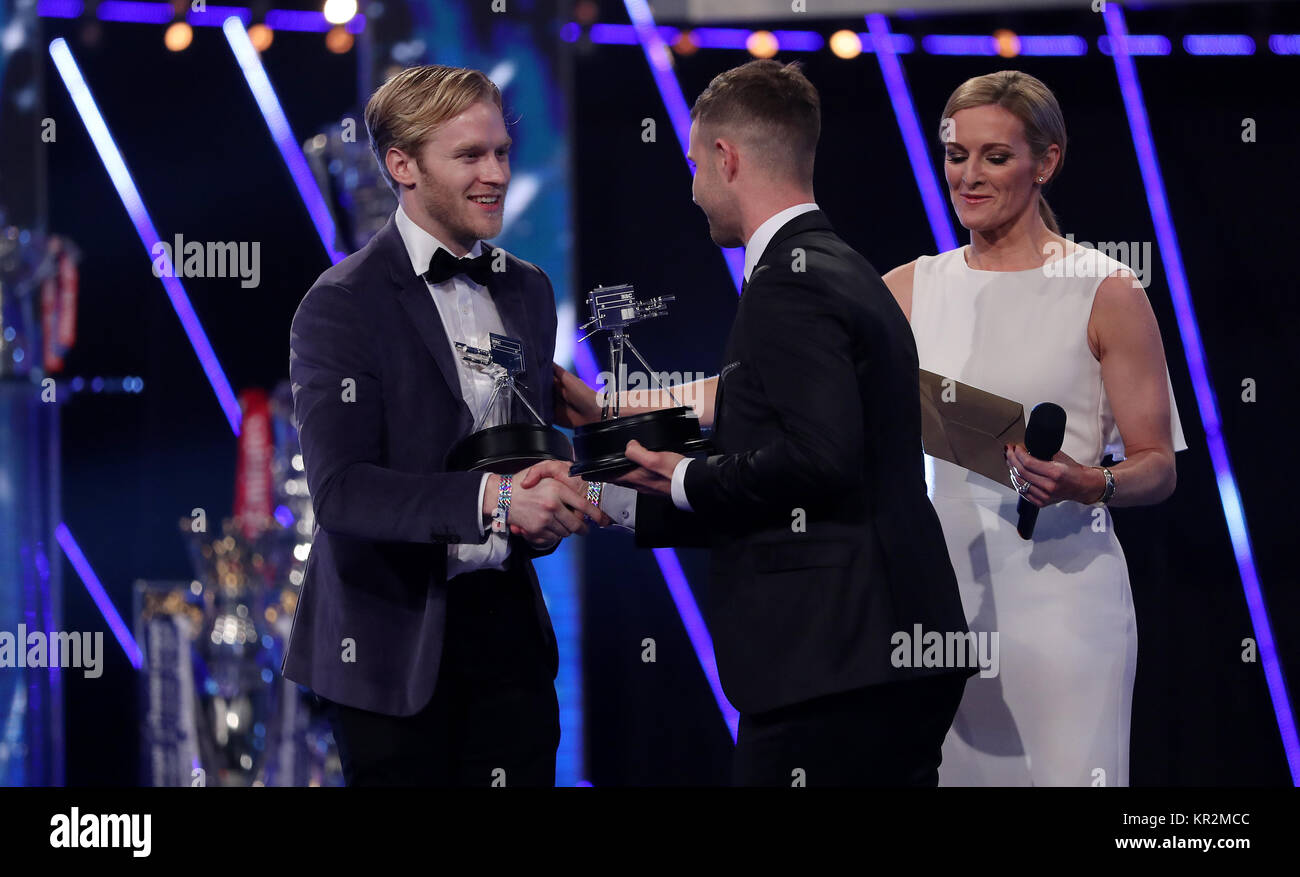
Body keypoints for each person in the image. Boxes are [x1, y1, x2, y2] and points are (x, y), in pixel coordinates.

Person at [548, 60, 973, 786]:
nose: (691, 190)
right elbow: (764, 428)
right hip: (877, 653)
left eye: (693, 165)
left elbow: (819, 459)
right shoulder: (839, 268)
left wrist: (681, 475)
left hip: (832, 662)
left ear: (727, 158)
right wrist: (613, 460)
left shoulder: (790, 282)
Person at [282, 64, 609, 787]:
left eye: (500, 151)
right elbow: (343, 493)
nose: (494, 172)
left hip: (509, 644)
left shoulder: (528, 288)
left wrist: (545, 503)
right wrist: (494, 502)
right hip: (390, 648)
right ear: (402, 165)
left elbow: (513, 442)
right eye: (469, 156)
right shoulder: (340, 305)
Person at [881, 70, 1186, 786]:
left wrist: (1091, 481)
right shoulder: (907, 287)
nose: (968, 176)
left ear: (1047, 161)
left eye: (995, 156)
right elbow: (784, 377)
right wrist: (626, 406)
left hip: (1066, 611)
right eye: (957, 155)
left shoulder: (1105, 288)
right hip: (946, 611)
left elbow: (1157, 464)